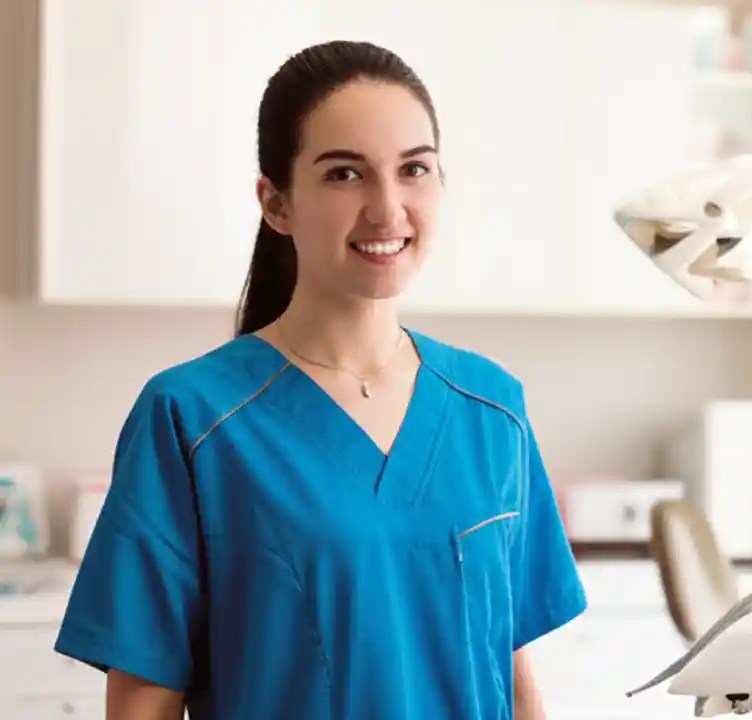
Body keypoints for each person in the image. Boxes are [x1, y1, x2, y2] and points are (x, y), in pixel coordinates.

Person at [53, 40, 587, 719]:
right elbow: (143, 702)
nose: (388, 209)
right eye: (344, 175)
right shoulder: (192, 418)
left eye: (414, 170)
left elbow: (512, 676)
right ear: (276, 204)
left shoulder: (493, 408)